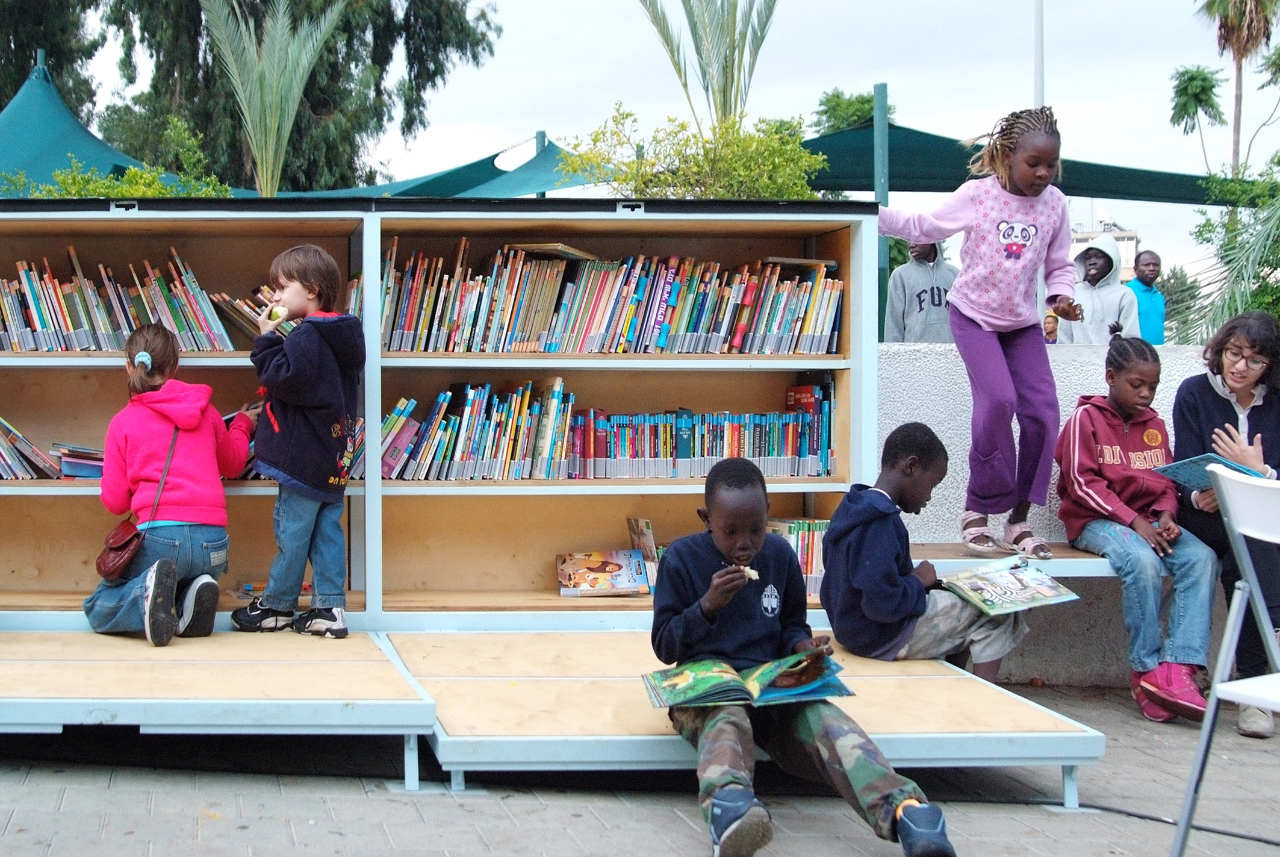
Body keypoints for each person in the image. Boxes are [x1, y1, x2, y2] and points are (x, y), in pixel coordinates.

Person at [651, 457, 956, 857]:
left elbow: (792, 624)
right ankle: (731, 811)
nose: (745, 543)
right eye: (730, 532)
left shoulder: (778, 556)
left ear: (769, 515)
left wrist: (802, 648)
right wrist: (706, 606)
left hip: (773, 689)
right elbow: (664, 645)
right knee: (725, 719)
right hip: (710, 689)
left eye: (756, 529)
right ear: (705, 518)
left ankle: (908, 812)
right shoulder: (682, 560)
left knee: (825, 721)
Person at [877, 106, 1082, 561]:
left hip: (1021, 323)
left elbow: (1060, 265)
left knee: (1043, 413)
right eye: (1034, 164)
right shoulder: (979, 195)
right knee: (998, 402)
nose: (1044, 173)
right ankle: (977, 510)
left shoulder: (1056, 205)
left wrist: (1061, 298)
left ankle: (1018, 519)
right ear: (1007, 156)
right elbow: (923, 226)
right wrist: (870, 215)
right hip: (972, 316)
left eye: (1052, 164)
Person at [1055, 336, 1219, 723]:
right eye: (1137, 384)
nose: (1146, 394)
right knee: (1142, 562)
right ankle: (1145, 670)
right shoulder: (1086, 419)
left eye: (1153, 386)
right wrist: (1135, 521)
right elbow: (1081, 482)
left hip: (1147, 522)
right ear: (1111, 377)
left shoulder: (1154, 425)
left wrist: (1165, 515)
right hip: (1097, 522)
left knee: (1201, 558)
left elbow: (1165, 479)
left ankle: (1178, 668)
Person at [87, 324, 256, 646]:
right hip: (213, 543)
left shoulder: (122, 422)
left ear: (128, 365)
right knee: (176, 579)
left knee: (97, 606)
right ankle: (194, 590)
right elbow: (233, 464)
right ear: (175, 366)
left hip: (160, 538)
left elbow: (115, 502)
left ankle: (144, 594)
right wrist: (243, 425)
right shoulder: (205, 412)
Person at [821, 423, 1027, 682]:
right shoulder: (879, 522)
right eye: (933, 483)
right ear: (911, 466)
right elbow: (881, 604)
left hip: (853, 630)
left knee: (960, 605)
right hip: (883, 635)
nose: (930, 495)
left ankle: (953, 683)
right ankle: (986, 696)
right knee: (999, 610)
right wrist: (919, 580)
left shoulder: (853, 509)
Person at [230, 245, 365, 639]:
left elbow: (283, 378)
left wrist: (266, 339)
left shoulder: (308, 336)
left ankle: (277, 605)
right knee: (326, 533)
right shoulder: (339, 335)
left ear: (312, 290)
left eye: (281, 287)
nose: (274, 297)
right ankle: (329, 608)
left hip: (303, 457)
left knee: (291, 531)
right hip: (333, 456)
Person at [1172, 311, 1280, 738]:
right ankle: (1259, 678)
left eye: (1254, 361)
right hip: (1207, 516)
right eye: (1234, 354)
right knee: (1250, 546)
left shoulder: (1277, 403)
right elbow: (1184, 468)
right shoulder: (1195, 393)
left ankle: (1253, 687)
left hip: (1262, 518)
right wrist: (1202, 494)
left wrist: (1259, 473)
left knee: (1250, 550)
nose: (1240, 367)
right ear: (1220, 351)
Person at [1056, 233, 1140, 344]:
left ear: (1112, 260)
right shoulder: (1073, 294)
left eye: (1099, 256)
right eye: (1088, 258)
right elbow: (1064, 337)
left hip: (1113, 359)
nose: (1092, 262)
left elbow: (1130, 337)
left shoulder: (1124, 295)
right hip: (1078, 360)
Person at [883, 242, 958, 343]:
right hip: (913, 355)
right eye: (908, 239)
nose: (911, 244)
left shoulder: (954, 274)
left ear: (931, 237)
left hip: (950, 353)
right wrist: (892, 356)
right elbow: (893, 324)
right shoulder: (900, 275)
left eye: (916, 238)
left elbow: (964, 322)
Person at [1126, 250, 1165, 344]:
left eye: (1155, 265)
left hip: (1157, 355)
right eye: (1146, 265)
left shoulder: (1159, 296)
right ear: (1135, 269)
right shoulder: (1127, 292)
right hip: (1134, 355)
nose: (1152, 268)